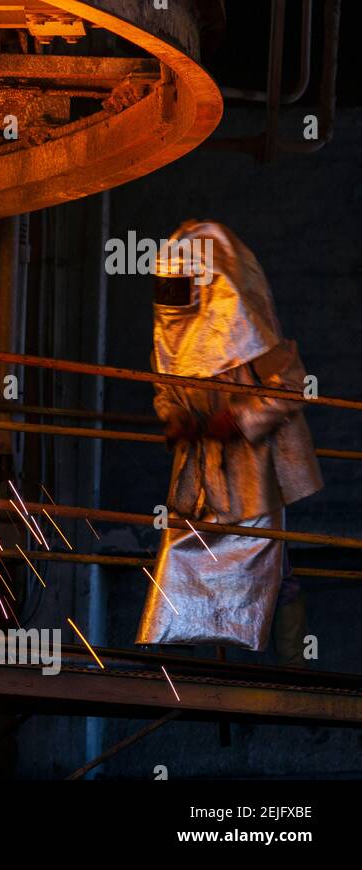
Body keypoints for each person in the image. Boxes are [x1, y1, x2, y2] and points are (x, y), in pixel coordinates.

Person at [136, 220, 322, 663]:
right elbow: (164, 390)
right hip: (198, 475)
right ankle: (179, 665)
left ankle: (296, 668)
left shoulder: (249, 332)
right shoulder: (170, 334)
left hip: (251, 477)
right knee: (181, 555)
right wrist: (175, 418)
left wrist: (237, 421)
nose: (172, 298)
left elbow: (292, 388)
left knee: (272, 568)